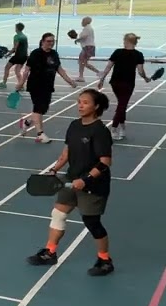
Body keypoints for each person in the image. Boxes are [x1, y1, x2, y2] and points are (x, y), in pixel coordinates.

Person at [27, 89, 115, 276]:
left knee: (92, 222)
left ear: (96, 106)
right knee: (58, 214)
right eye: (79, 102)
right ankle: (50, 252)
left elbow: (105, 162)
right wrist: (54, 170)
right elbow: (66, 153)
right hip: (71, 177)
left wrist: (86, 180)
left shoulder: (100, 131)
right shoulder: (74, 126)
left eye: (85, 102)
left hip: (93, 184)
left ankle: (105, 260)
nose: (80, 105)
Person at [16, 32, 76, 144]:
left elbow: (59, 69)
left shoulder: (54, 54)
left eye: (53, 41)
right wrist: (21, 83)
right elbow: (27, 70)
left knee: (43, 109)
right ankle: (40, 134)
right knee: (38, 108)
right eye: (48, 41)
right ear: (43, 41)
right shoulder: (36, 53)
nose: (51, 43)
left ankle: (27, 122)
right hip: (35, 85)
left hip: (48, 85)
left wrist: (69, 81)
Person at [96, 32, 152, 141]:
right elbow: (140, 71)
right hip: (128, 84)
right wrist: (146, 78)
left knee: (122, 105)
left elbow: (108, 67)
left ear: (126, 41)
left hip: (115, 83)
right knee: (122, 105)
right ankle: (114, 129)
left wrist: (102, 79)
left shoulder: (117, 52)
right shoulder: (138, 55)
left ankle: (122, 128)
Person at [0, 22, 28, 88]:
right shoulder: (24, 36)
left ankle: (4, 83)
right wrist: (11, 51)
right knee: (17, 71)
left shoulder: (17, 36)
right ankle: (21, 85)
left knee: (7, 68)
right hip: (24, 56)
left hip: (18, 56)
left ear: (17, 28)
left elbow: (15, 47)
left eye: (15, 27)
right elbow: (24, 47)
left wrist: (8, 54)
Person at [74, 16, 100, 83]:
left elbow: (84, 37)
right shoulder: (87, 28)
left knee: (82, 62)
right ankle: (82, 76)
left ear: (85, 22)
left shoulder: (87, 28)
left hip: (88, 47)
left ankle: (81, 76)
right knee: (82, 62)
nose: (81, 22)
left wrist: (77, 40)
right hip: (88, 47)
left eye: (82, 21)